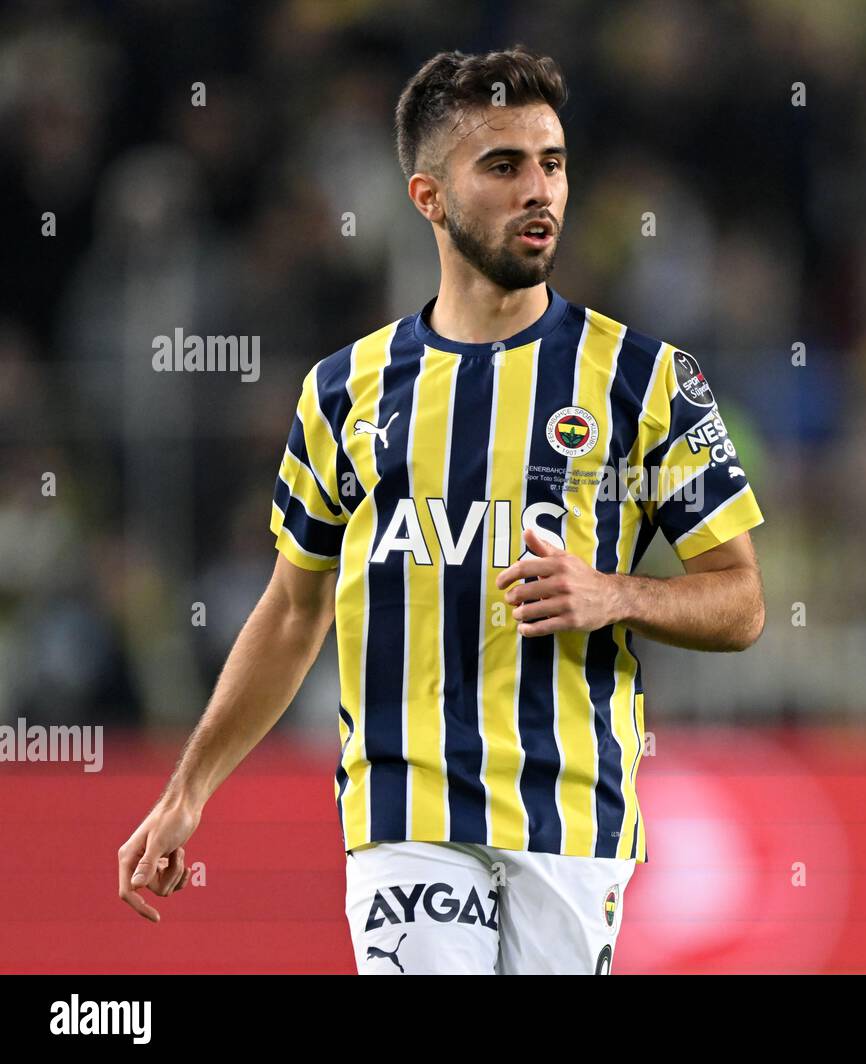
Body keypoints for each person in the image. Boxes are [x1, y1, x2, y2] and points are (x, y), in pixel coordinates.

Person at [116, 46, 767, 975]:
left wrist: (617, 594)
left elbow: (740, 603)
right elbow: (294, 608)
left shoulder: (646, 381)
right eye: (503, 166)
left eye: (553, 162)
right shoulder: (345, 393)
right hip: (404, 810)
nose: (538, 189)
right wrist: (189, 790)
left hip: (572, 814)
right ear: (429, 197)